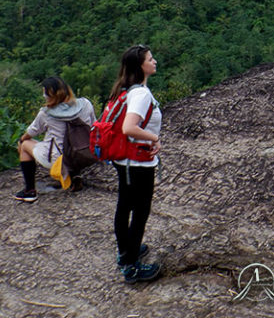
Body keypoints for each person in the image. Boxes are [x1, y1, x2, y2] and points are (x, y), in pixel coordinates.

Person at [109, 44, 163, 284]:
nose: (154, 62)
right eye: (150, 59)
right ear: (140, 66)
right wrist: (154, 138)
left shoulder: (126, 90)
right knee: (139, 212)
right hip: (137, 163)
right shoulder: (140, 94)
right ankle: (131, 267)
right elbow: (129, 128)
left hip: (125, 161)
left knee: (124, 207)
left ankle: (126, 253)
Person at [14, 76, 96, 202]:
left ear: (48, 94)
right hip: (83, 154)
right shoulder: (86, 104)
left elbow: (31, 132)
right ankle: (73, 175)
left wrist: (20, 140)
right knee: (67, 144)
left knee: (25, 144)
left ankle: (29, 191)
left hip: (58, 159)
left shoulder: (46, 113)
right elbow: (94, 125)